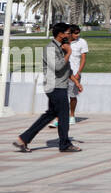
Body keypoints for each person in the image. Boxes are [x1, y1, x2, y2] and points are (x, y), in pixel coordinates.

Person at [13, 22, 82, 153]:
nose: (70, 35)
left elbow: (66, 69)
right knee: (63, 116)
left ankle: (23, 139)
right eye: (68, 33)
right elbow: (58, 66)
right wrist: (69, 52)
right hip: (55, 87)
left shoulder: (61, 47)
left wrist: (76, 82)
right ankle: (65, 144)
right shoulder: (50, 49)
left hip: (60, 85)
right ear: (60, 34)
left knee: (50, 115)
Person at [52, 24, 88, 128]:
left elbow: (83, 59)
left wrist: (78, 73)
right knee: (60, 97)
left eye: (78, 33)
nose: (78, 35)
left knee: (72, 96)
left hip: (75, 74)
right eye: (75, 33)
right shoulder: (63, 42)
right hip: (62, 74)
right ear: (70, 34)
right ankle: (58, 119)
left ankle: (71, 116)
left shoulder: (82, 42)